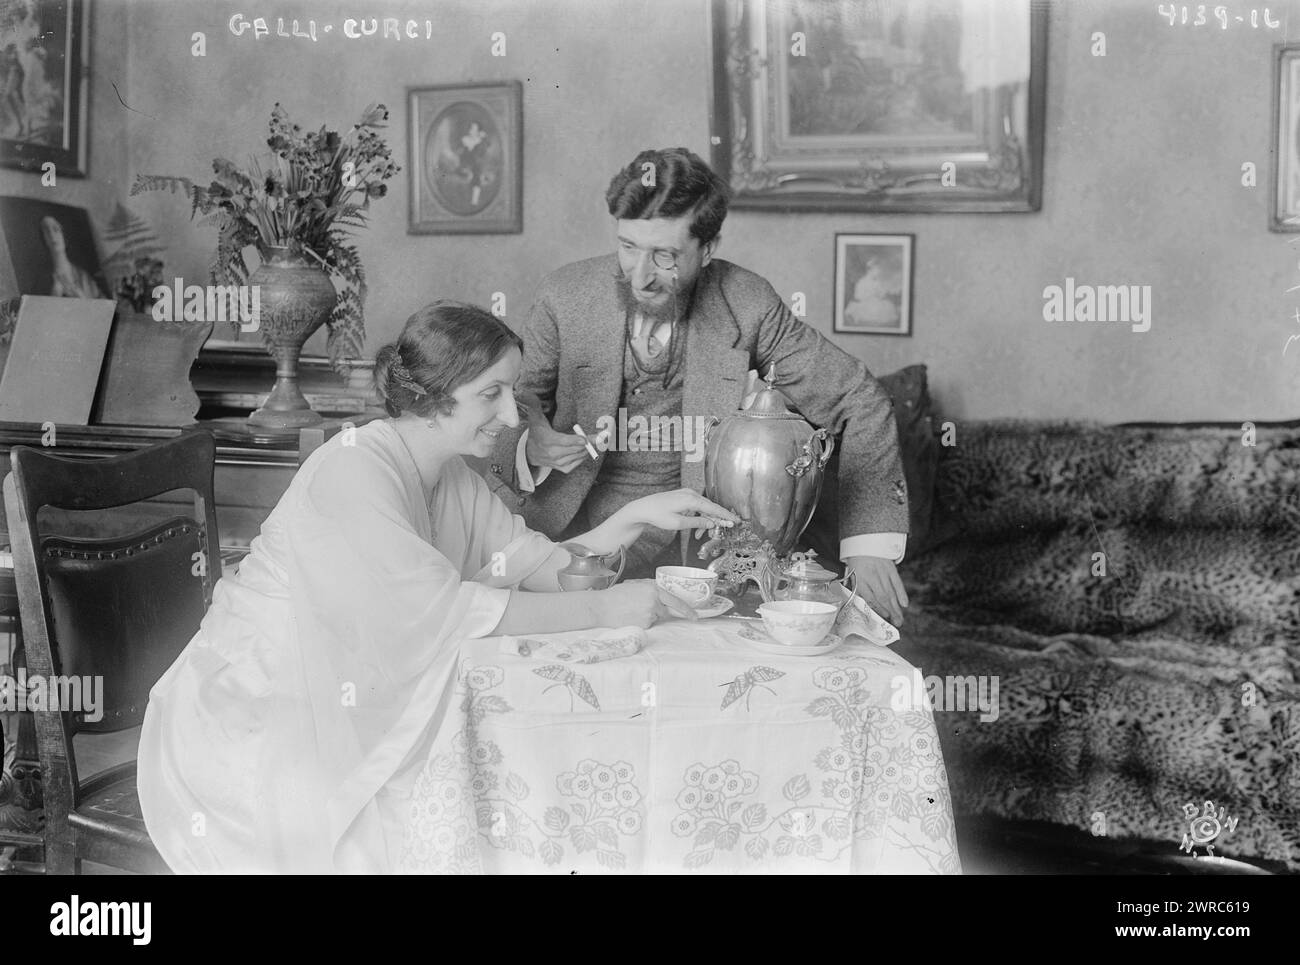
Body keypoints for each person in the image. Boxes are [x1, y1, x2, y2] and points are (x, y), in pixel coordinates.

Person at [137, 301, 737, 874]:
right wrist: (605, 611)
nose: (512, 418)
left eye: (511, 393)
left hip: (344, 694)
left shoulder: (451, 478)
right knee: (422, 822)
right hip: (264, 710)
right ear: (432, 395)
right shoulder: (353, 467)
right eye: (491, 395)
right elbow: (447, 612)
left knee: (495, 795)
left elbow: (541, 567)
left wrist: (635, 517)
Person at [480, 147, 910, 625]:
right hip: (564, 541)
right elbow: (511, 404)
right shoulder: (564, 295)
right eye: (628, 247)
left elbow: (857, 397)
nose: (640, 275)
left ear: (707, 250)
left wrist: (869, 547)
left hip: (695, 555)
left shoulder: (746, 303)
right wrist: (530, 444)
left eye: (664, 255)